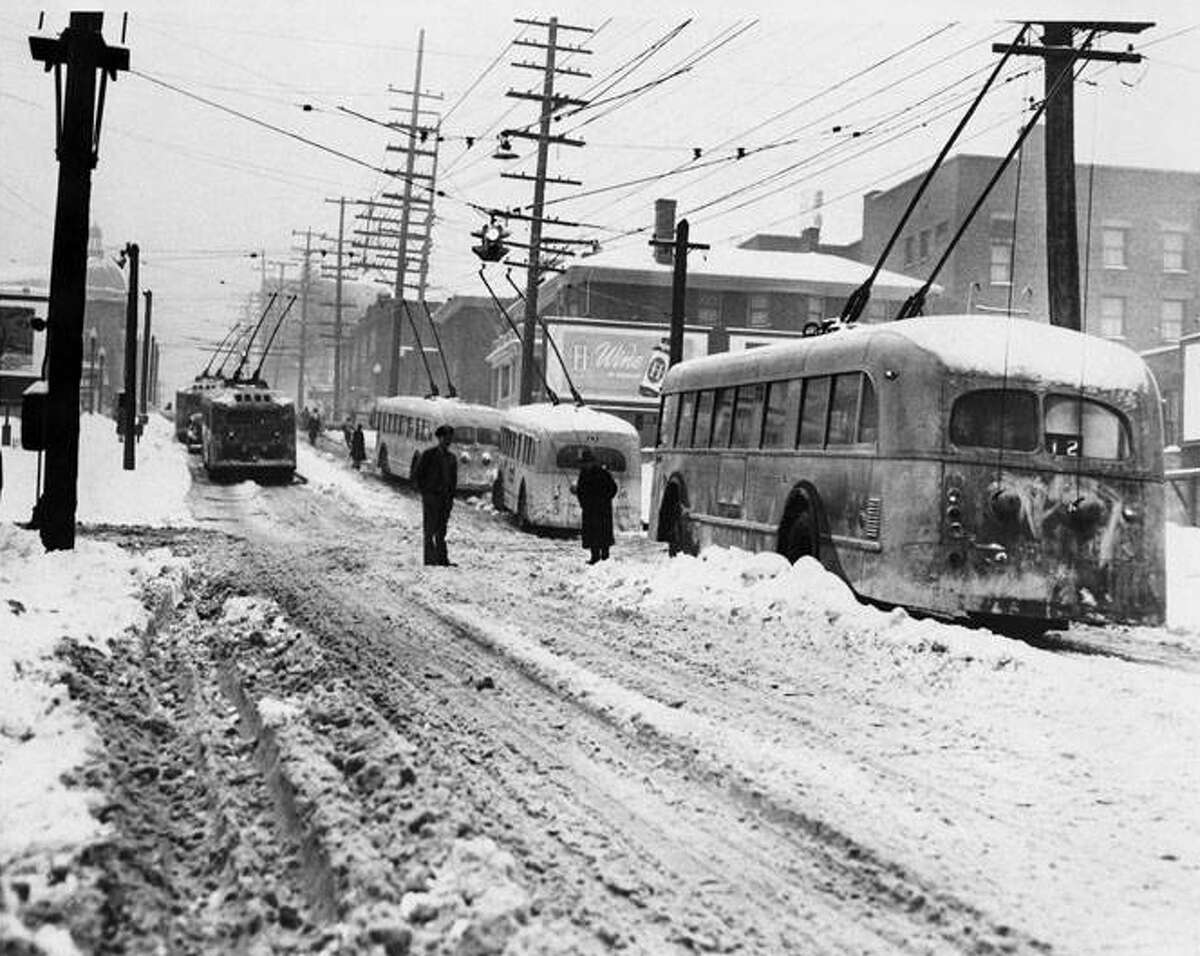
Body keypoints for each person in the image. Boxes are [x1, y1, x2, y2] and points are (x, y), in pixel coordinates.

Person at [414, 424, 458, 566]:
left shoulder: (452, 458)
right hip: (431, 498)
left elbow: (453, 481)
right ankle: (430, 560)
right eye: (446, 438)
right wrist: (426, 493)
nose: (448, 441)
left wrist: (450, 499)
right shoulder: (428, 455)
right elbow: (418, 475)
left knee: (441, 531)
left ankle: (442, 559)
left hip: (445, 500)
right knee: (429, 530)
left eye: (450, 438)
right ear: (439, 438)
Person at [573, 447, 617, 564]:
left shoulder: (601, 474)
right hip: (592, 509)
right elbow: (582, 491)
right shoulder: (589, 474)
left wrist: (603, 500)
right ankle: (595, 556)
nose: (585, 465)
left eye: (586, 463)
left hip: (599, 509)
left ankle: (604, 556)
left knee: (600, 533)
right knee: (595, 534)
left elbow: (612, 488)